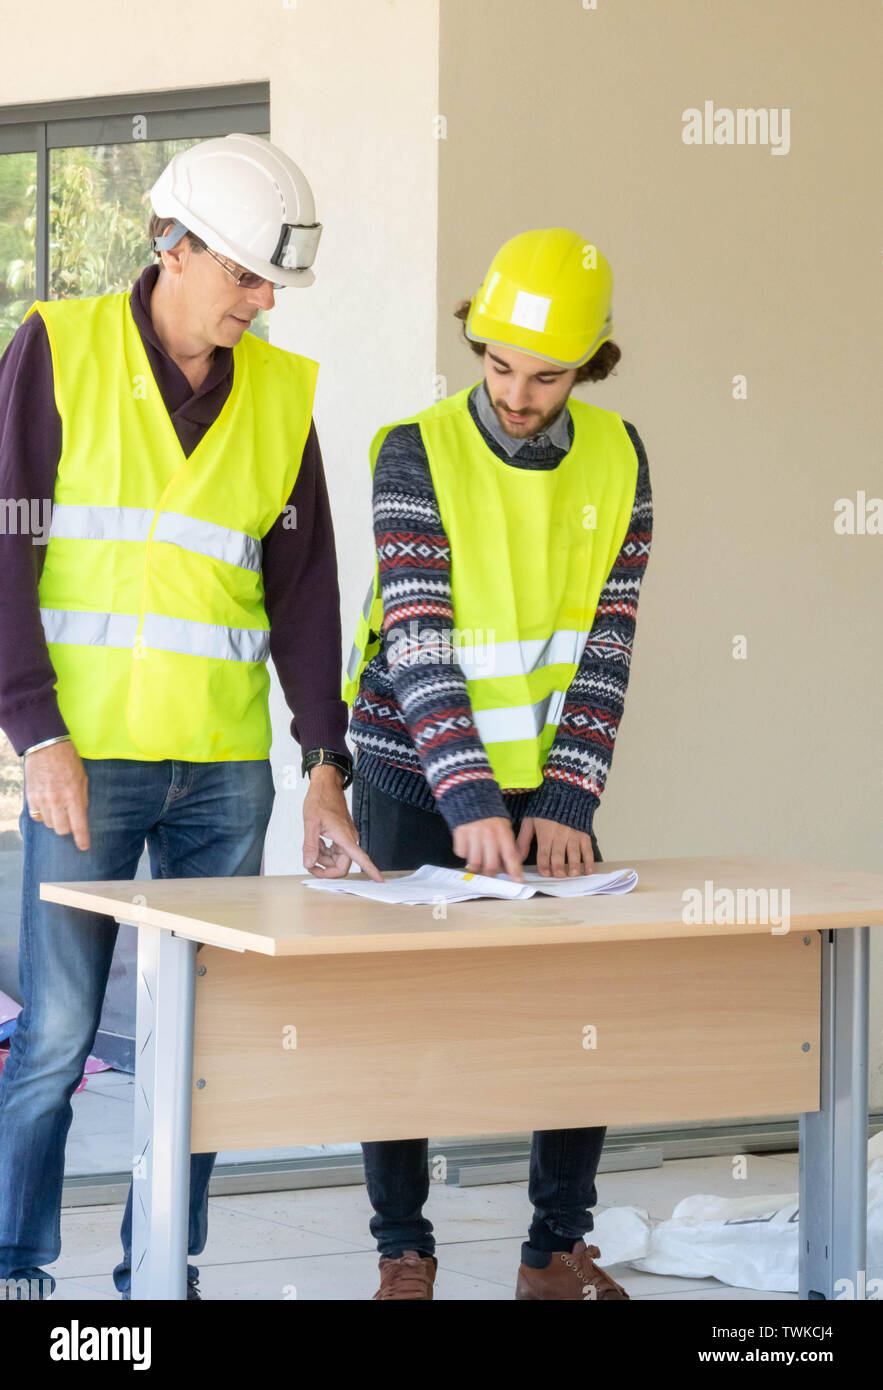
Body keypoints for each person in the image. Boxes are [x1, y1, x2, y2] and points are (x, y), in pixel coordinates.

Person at [0, 133, 380, 1301]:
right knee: (58, 1040)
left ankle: (160, 1278)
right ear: (178, 247)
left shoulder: (277, 391)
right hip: (87, 762)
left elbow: (304, 588)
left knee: (195, 1056)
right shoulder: (55, 347)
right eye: (249, 278)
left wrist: (325, 764)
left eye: (274, 284)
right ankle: (16, 1267)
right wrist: (33, 728)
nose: (264, 303)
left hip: (222, 772)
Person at [344, 228, 653, 1299]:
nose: (517, 396)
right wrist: (466, 798)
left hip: (543, 789)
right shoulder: (411, 449)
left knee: (581, 1014)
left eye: (545, 375)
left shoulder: (620, 458)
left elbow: (607, 641)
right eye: (498, 366)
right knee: (404, 1023)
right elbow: (420, 635)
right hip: (408, 772)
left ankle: (553, 1250)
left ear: (593, 365)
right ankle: (404, 1252)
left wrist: (567, 793)